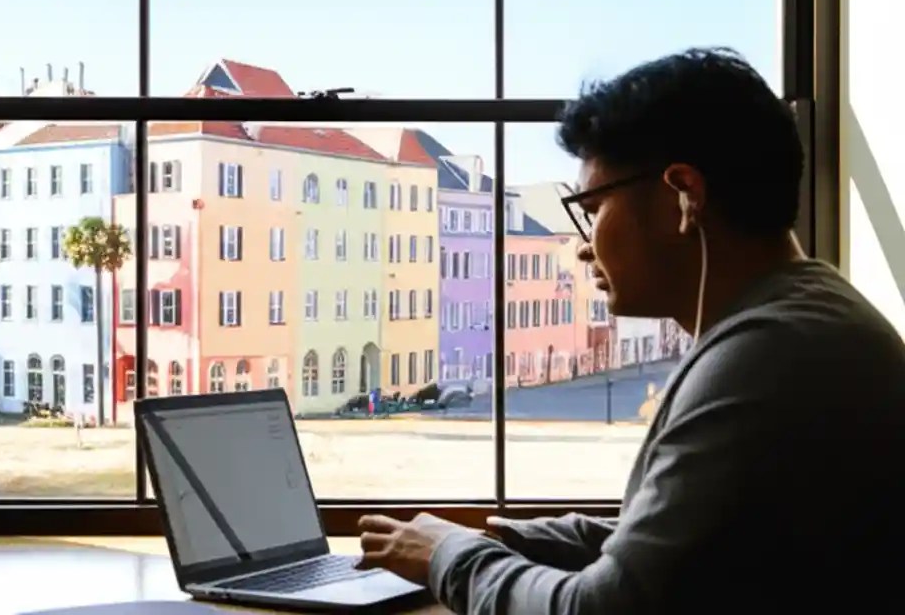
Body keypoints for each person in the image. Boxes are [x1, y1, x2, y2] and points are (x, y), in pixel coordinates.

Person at [354, 48, 905, 613]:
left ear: (682, 197)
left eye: (592, 208)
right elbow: (683, 535)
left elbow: (602, 608)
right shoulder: (811, 317)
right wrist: (509, 539)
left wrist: (452, 555)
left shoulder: (765, 357)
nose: (583, 243)